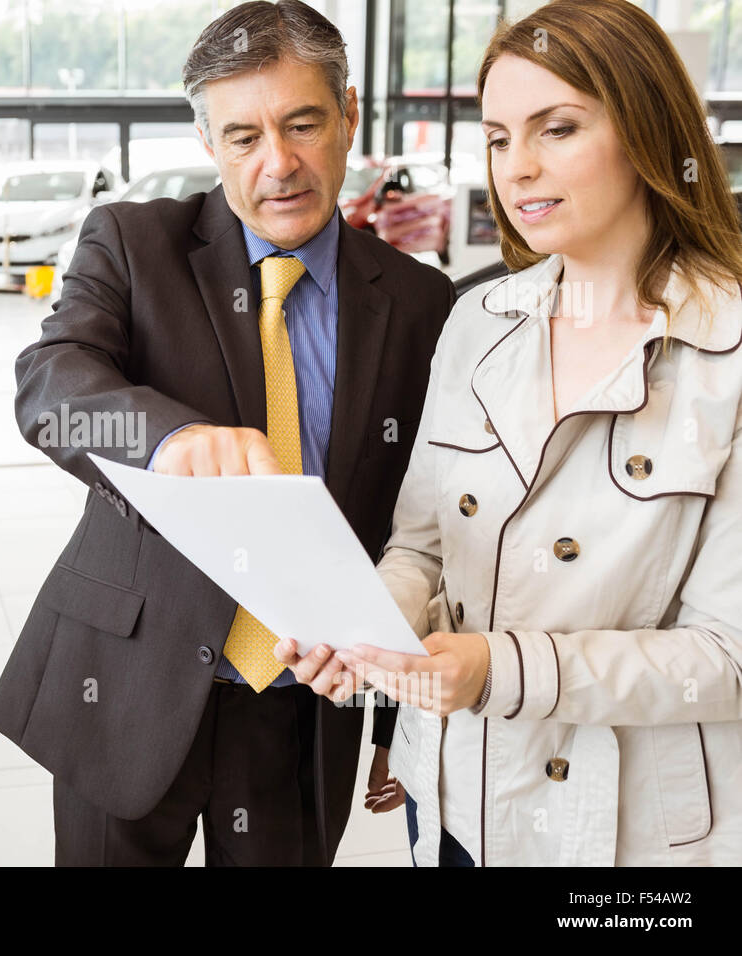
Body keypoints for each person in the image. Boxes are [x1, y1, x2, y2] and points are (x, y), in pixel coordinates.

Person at [0, 0, 455, 866]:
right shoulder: (134, 243)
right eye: (243, 137)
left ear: (349, 116)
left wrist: (395, 712)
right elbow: (51, 386)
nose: (277, 164)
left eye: (303, 123)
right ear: (209, 143)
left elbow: (408, 526)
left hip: (303, 703)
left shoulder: (421, 302)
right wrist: (166, 439)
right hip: (126, 683)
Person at [276, 0, 742, 865]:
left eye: (556, 129)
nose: (517, 169)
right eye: (496, 138)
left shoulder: (728, 353)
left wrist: (499, 671)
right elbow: (419, 547)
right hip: (454, 793)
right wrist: (369, 621)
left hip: (629, 835)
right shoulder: (478, 319)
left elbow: (729, 659)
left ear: (648, 130)